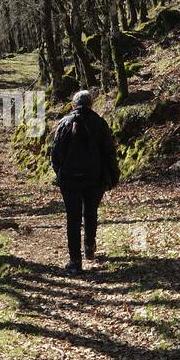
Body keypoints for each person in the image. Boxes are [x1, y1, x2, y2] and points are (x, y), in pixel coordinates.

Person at [50, 89, 120, 273]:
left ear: (73, 105)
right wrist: (113, 176)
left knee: (72, 218)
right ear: (91, 104)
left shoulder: (63, 124)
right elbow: (109, 153)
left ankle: (75, 262)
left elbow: (55, 154)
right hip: (94, 179)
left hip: (70, 181)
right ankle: (89, 248)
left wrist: (61, 173)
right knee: (90, 212)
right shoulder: (100, 123)